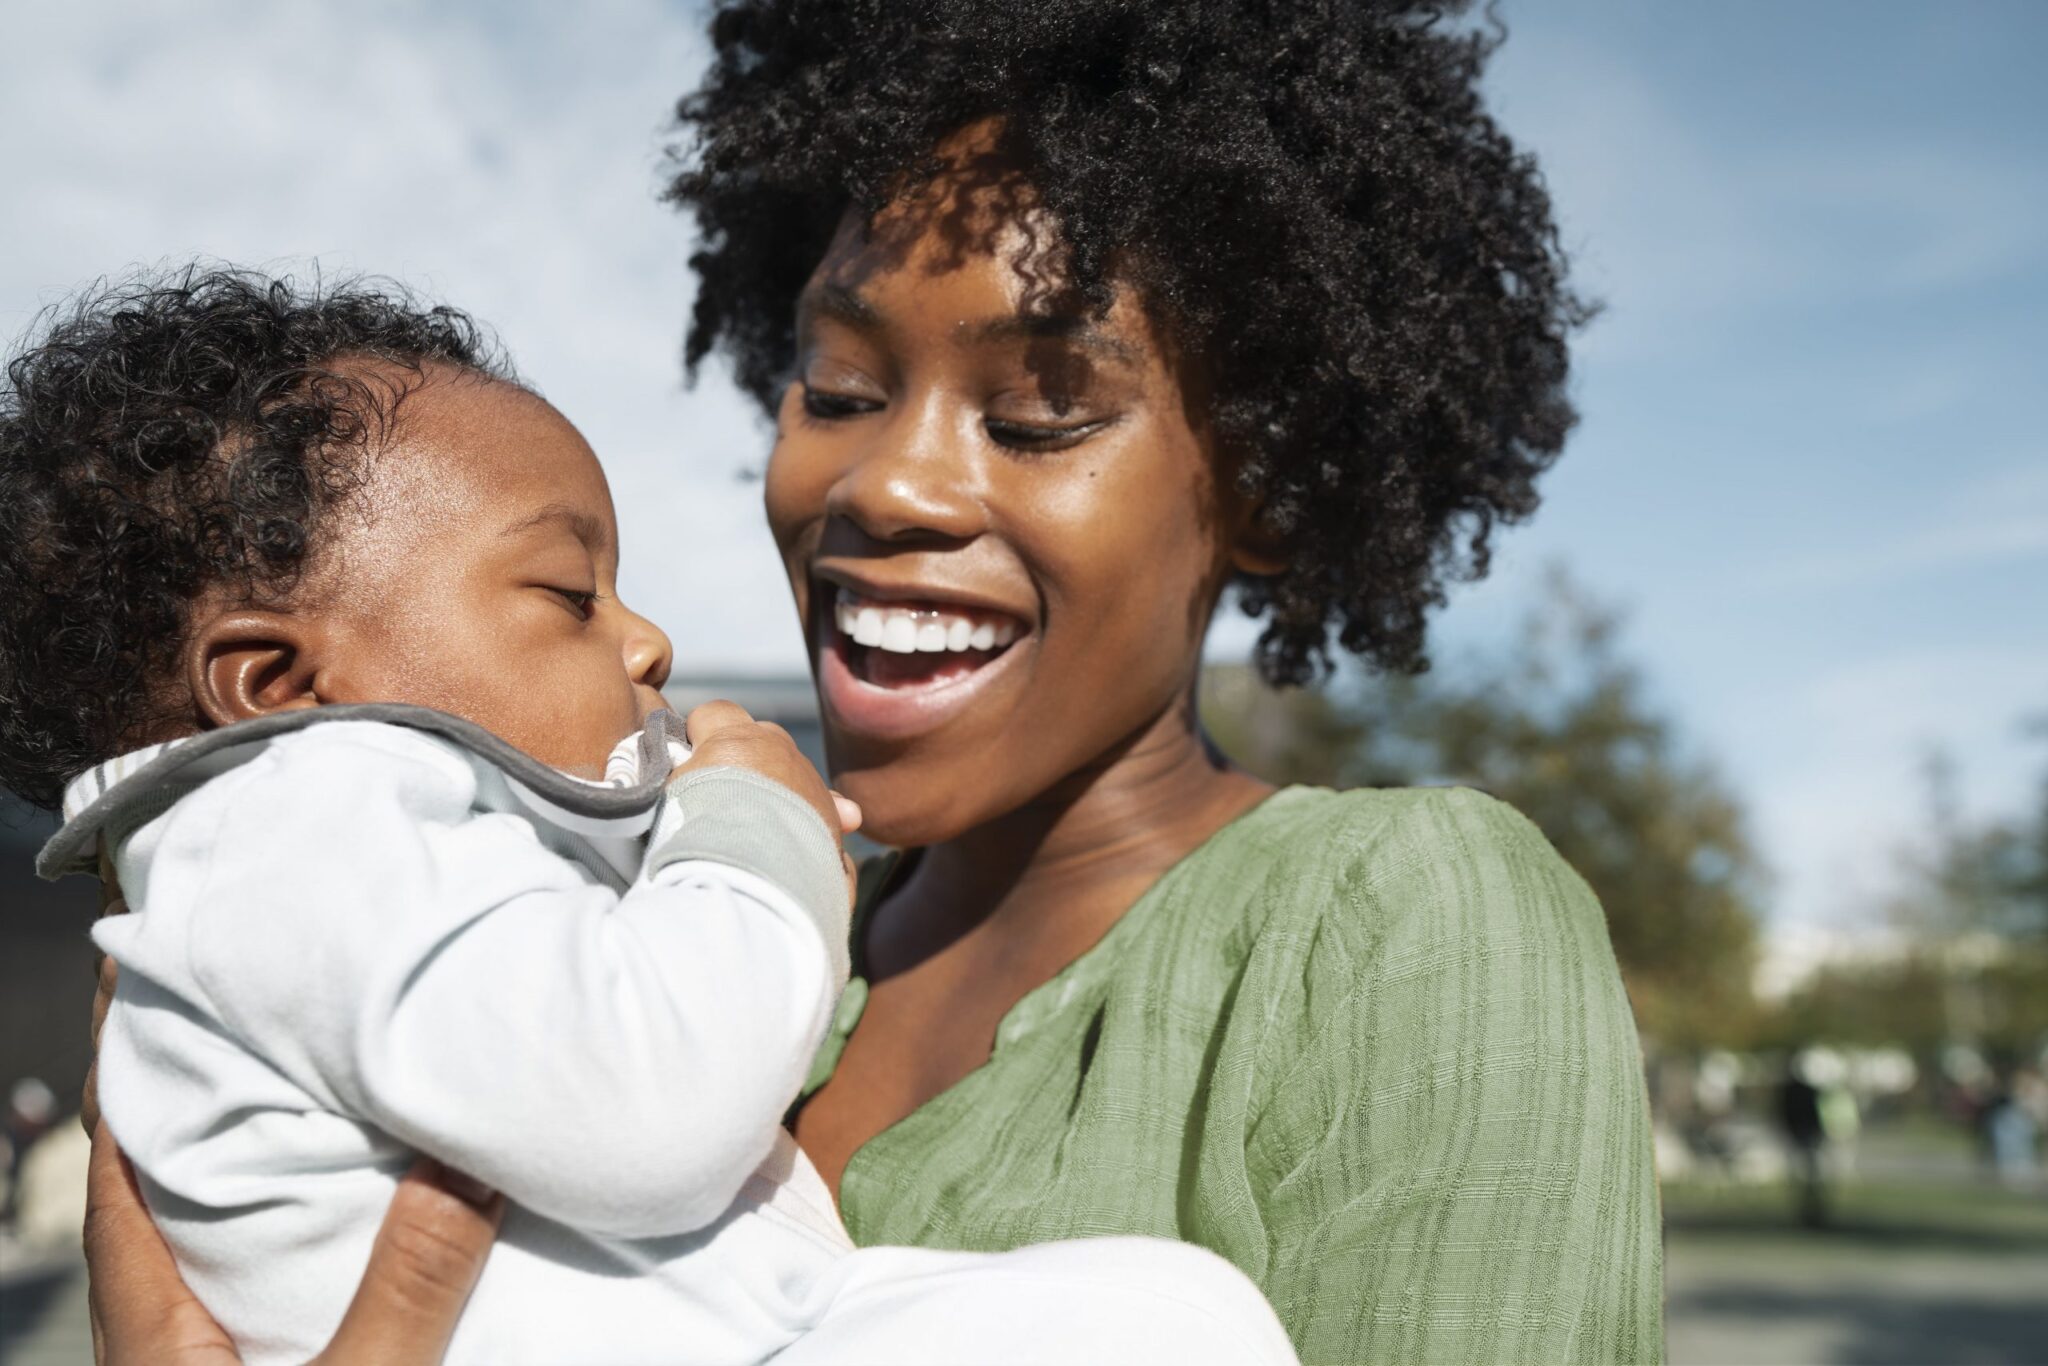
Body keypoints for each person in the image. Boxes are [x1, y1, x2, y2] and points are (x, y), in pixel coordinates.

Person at [81, 2, 1664, 1361]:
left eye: (1040, 413)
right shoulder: (670, 937)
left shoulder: (1408, 923)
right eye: (836, 387)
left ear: (1264, 494)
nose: (885, 484)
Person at [1, 270, 1295, 1365]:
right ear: (277, 686)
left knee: (1179, 1313)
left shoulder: (329, 871)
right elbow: (653, 1107)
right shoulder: (292, 821)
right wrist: (754, 826)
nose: (648, 640)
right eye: (569, 591)